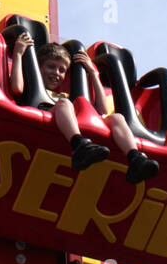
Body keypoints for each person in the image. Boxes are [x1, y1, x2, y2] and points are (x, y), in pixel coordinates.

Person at [9, 35, 159, 183]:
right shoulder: (33, 88)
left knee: (117, 117)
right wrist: (18, 54)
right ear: (38, 67)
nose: (56, 73)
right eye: (51, 67)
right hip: (42, 112)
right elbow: (16, 88)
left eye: (62, 70)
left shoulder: (64, 95)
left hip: (72, 120)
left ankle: (135, 158)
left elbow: (102, 110)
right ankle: (79, 145)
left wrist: (93, 73)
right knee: (65, 103)